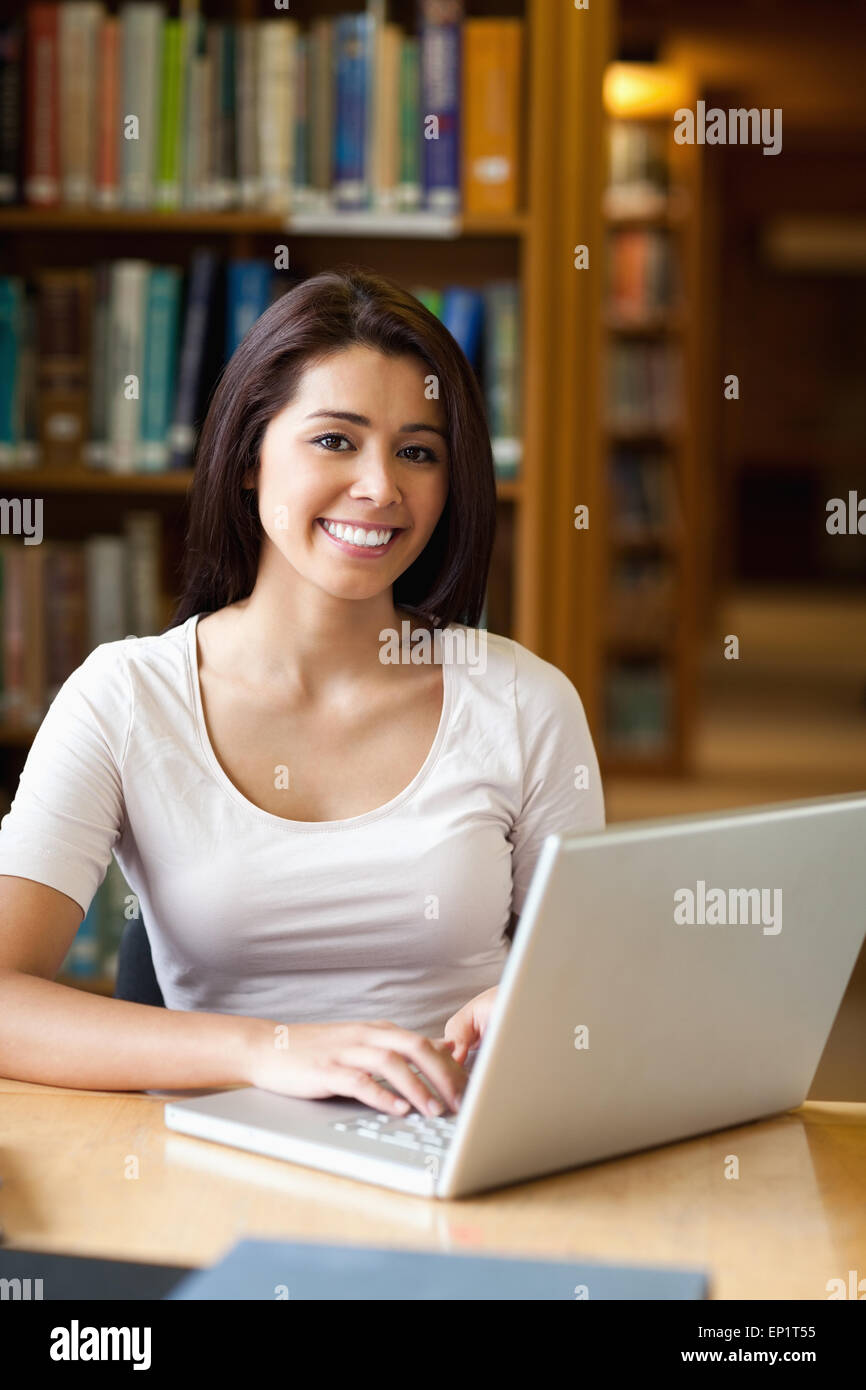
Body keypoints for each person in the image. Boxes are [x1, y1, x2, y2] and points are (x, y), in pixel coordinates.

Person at [0, 267, 604, 1117]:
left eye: (418, 452)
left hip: (455, 1153)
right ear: (250, 458)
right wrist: (271, 1050)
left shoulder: (526, 702)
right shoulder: (125, 698)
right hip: (216, 1168)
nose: (381, 487)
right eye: (335, 440)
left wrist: (546, 1011)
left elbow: (596, 991)